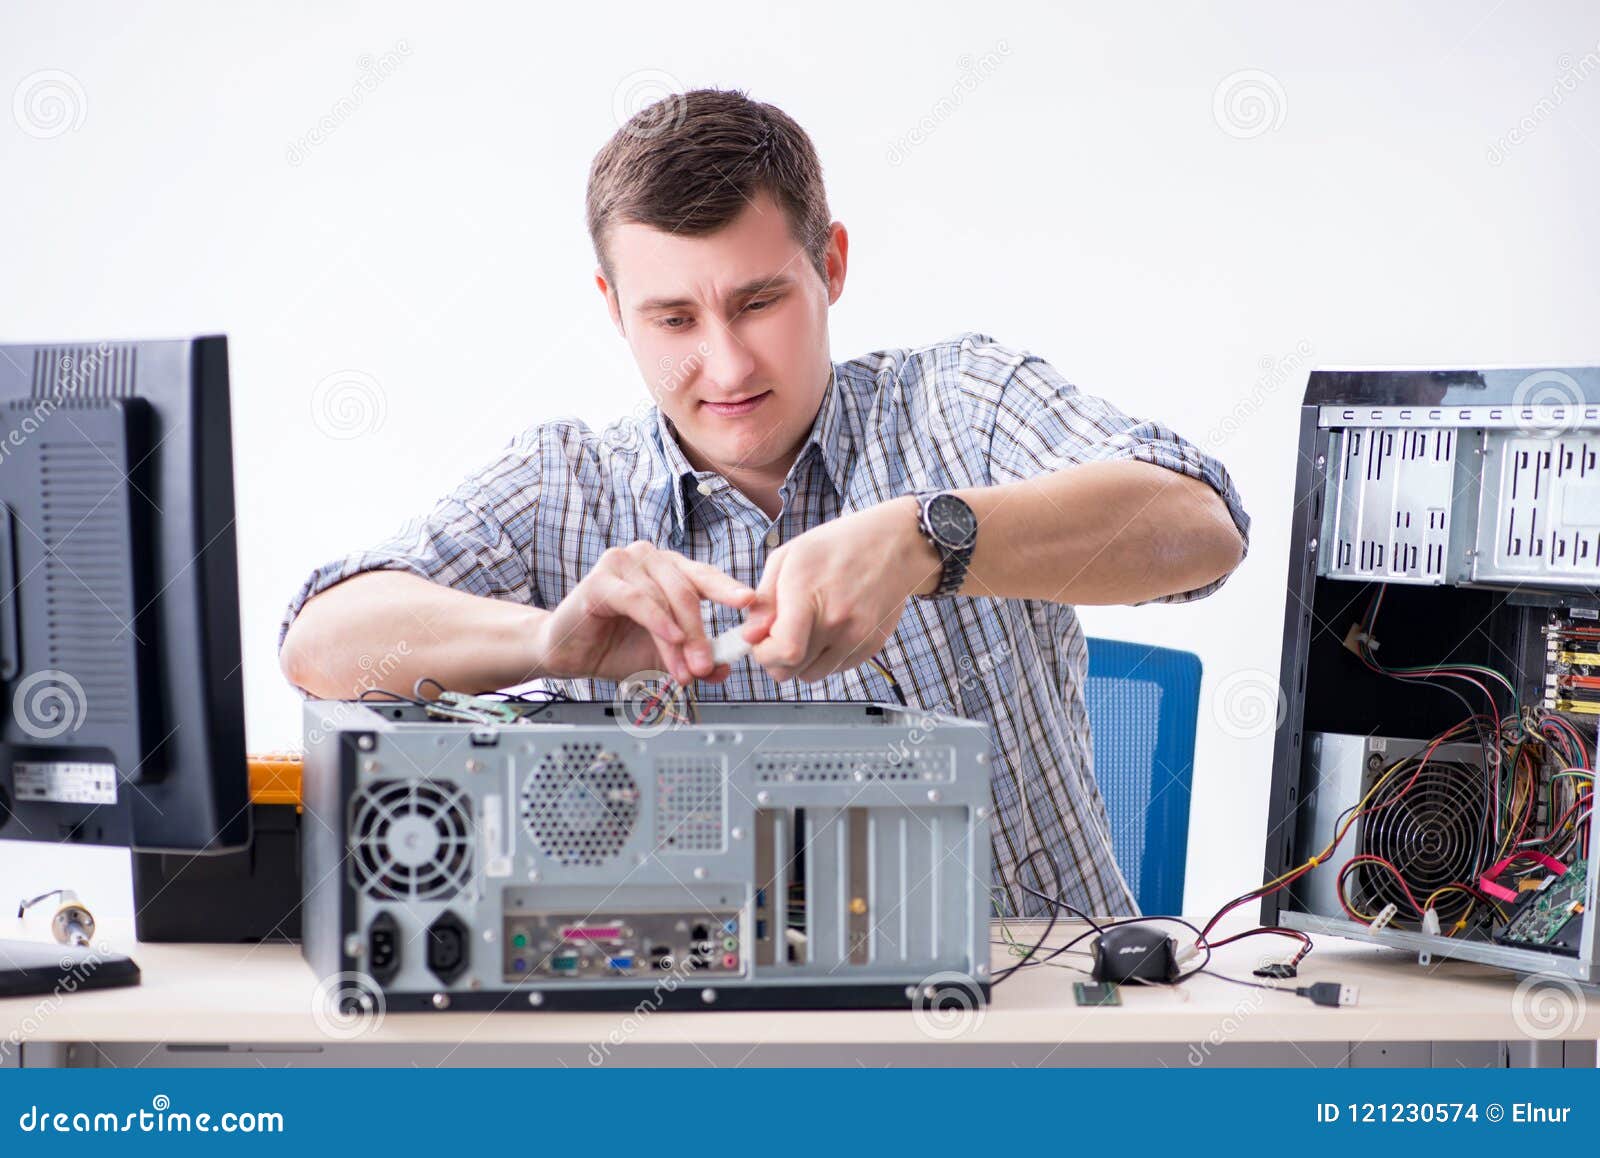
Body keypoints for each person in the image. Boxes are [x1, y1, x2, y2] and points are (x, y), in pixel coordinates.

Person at [279, 88, 1249, 916]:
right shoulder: (565, 486)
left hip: (1040, 1044)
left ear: (829, 265)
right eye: (672, 319)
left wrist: (929, 539)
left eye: (757, 302)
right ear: (613, 309)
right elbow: (322, 643)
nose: (728, 364)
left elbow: (1201, 527)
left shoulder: (958, 403)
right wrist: (544, 644)